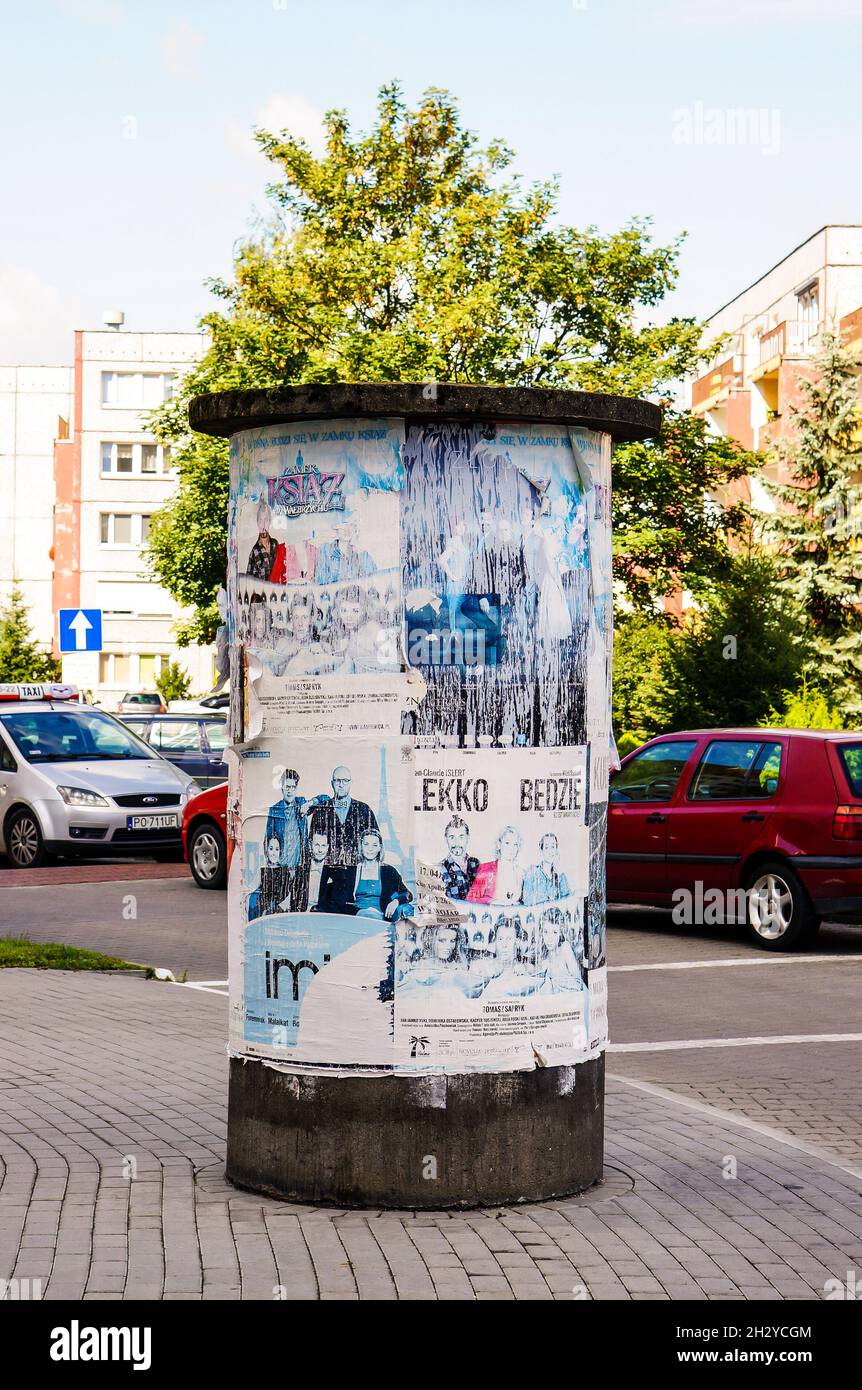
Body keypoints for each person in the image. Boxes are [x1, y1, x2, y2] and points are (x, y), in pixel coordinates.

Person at [317, 830, 413, 920]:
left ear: (380, 848)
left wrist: (395, 902)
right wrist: (361, 912)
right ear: (361, 846)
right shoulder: (351, 872)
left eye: (374, 845)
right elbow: (337, 900)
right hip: (358, 917)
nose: (370, 849)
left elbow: (407, 894)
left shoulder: (389, 871)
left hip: (382, 918)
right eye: (366, 844)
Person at [307, 765, 379, 866]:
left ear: (351, 783)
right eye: (337, 780)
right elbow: (312, 843)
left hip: (357, 869)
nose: (341, 784)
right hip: (329, 870)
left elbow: (376, 842)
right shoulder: (321, 810)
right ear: (332, 783)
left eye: (345, 780)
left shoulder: (364, 810)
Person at [264, 769, 310, 910]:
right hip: (281, 867)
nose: (289, 791)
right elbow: (268, 838)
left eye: (292, 787)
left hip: (299, 867)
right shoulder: (275, 809)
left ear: (296, 787)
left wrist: (311, 802)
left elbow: (325, 798)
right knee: (279, 906)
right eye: (286, 787)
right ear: (281, 787)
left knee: (298, 907)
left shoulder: (301, 804)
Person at [466, 825, 525, 905]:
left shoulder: (521, 873)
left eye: (515, 844)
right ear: (499, 845)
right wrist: (492, 902)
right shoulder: (486, 869)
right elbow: (471, 899)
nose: (511, 848)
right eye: (507, 843)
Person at [533, 907, 583, 993]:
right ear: (541, 932)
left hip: (567, 999)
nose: (549, 938)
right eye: (546, 932)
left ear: (560, 933)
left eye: (555, 932)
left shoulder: (565, 948)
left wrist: (555, 980)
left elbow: (579, 983)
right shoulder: (543, 954)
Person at [247, 833, 290, 921]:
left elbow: (289, 894)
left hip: (280, 915)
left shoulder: (285, 871)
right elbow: (249, 888)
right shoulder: (262, 871)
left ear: (281, 851)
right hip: (264, 913)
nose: (273, 853)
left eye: (277, 849)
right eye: (271, 849)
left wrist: (280, 908)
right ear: (266, 849)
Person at [522, 833, 572, 906]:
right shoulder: (532, 871)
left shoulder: (560, 876)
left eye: (553, 847)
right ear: (541, 850)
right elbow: (526, 900)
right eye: (546, 847)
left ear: (556, 850)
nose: (550, 851)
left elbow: (567, 899)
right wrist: (548, 899)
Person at [440, 816, 479, 900]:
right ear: (446, 839)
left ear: (468, 838)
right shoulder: (441, 869)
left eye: (461, 837)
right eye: (452, 837)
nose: (456, 842)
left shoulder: (476, 864)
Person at [246, 499, 284, 580]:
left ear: (270, 522)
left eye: (266, 520)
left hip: (279, 592)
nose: (263, 525)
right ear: (257, 523)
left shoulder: (275, 544)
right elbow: (248, 582)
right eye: (260, 520)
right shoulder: (254, 552)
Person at [296, 829, 330, 912]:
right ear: (311, 845)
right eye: (317, 845)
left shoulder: (333, 874)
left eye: (323, 846)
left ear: (328, 847)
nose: (320, 850)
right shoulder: (300, 871)